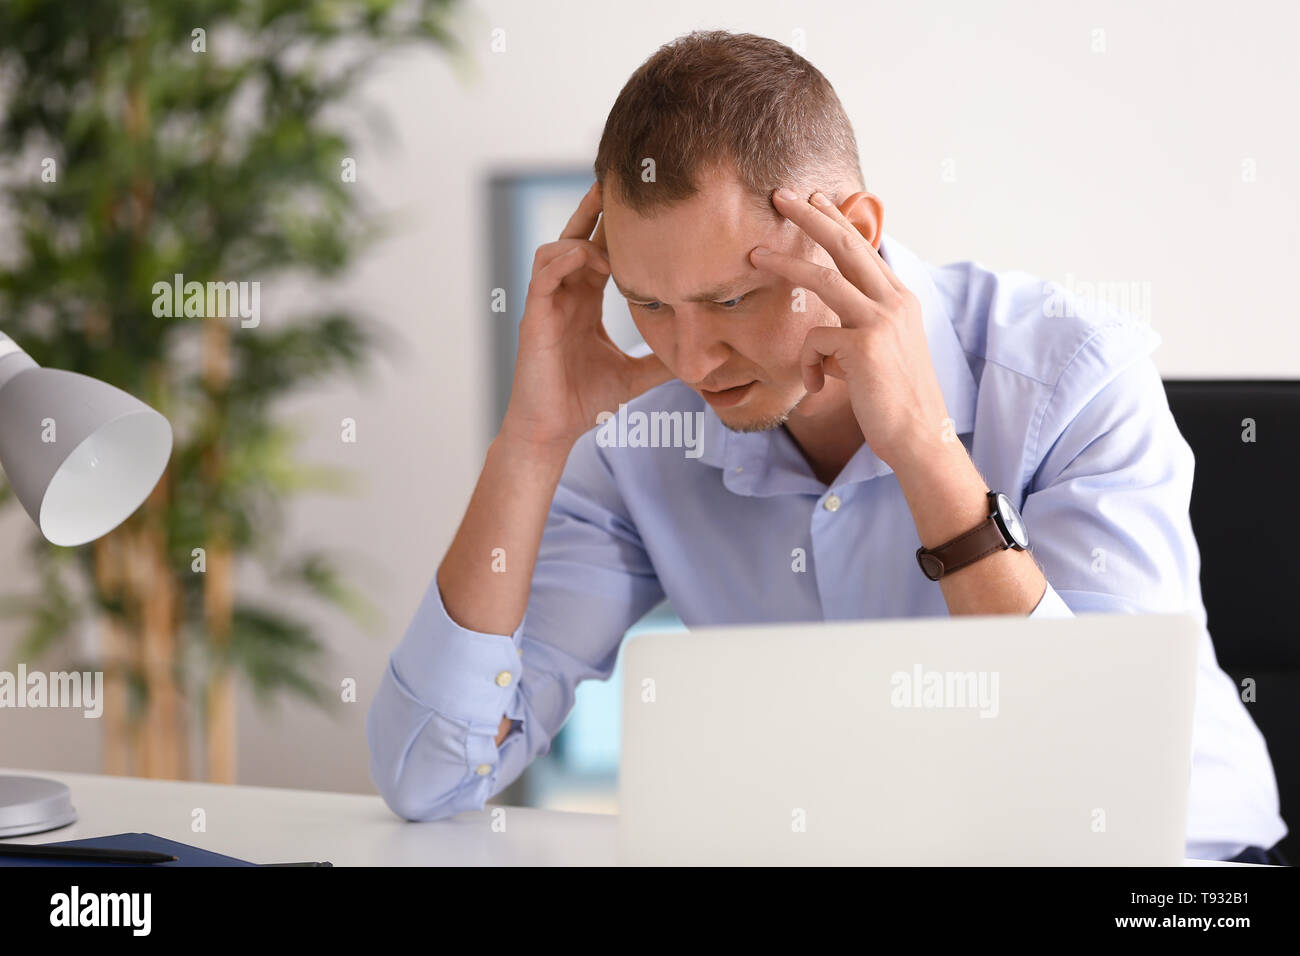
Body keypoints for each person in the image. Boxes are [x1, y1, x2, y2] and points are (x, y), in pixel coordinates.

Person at [366, 30, 1287, 864]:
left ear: (854, 234)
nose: (690, 358)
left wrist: (925, 451)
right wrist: (532, 441)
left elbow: (1098, 798)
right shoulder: (648, 437)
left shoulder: (1073, 378)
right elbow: (431, 777)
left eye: (732, 300)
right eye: (648, 304)